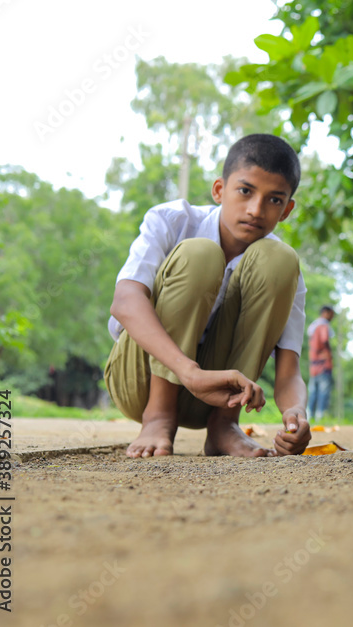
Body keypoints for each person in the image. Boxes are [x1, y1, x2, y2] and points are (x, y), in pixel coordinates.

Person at [105, 133, 312, 458]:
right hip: (140, 383)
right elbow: (125, 300)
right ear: (219, 190)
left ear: (286, 210)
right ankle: (159, 416)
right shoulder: (172, 220)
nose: (256, 210)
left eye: (274, 200)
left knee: (281, 259)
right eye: (245, 191)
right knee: (201, 254)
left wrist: (296, 414)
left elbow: (289, 371)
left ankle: (224, 426)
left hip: (214, 399)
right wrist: (189, 372)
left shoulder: (282, 271)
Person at [306, 305, 335, 421]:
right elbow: (324, 339)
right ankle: (320, 415)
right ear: (326, 312)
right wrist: (329, 354)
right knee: (323, 391)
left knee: (313, 391)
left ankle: (309, 415)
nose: (332, 317)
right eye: (332, 314)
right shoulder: (323, 325)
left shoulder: (313, 326)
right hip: (323, 364)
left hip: (314, 364)